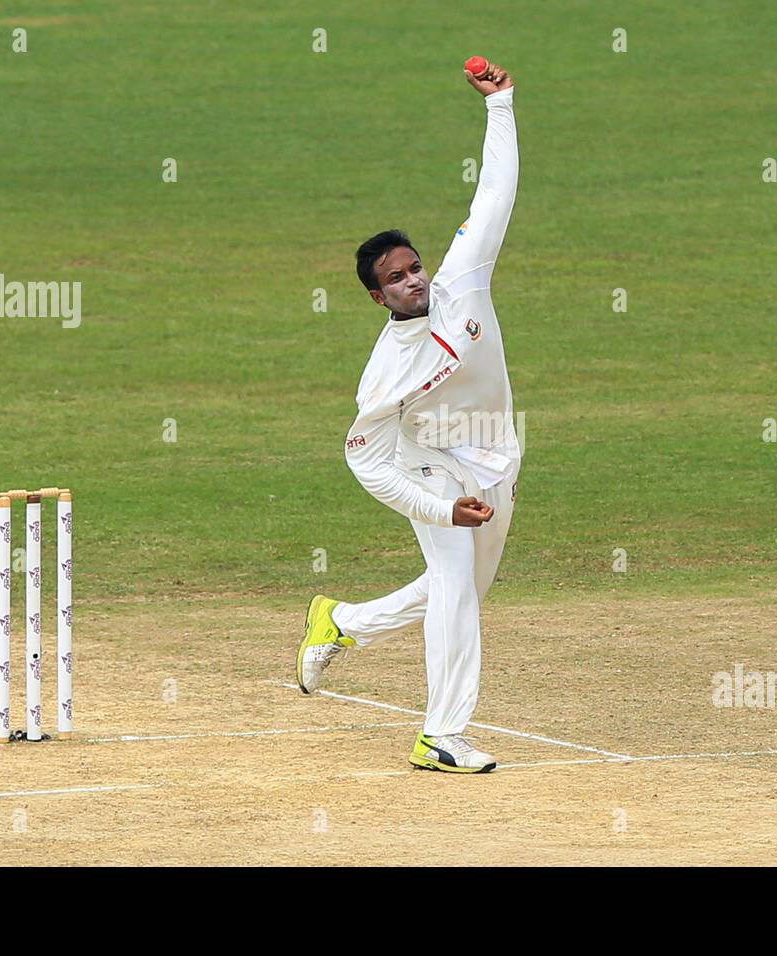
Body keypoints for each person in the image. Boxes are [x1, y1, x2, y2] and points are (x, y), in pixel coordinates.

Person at [296, 62, 520, 773]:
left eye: (414, 267)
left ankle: (342, 621)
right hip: (425, 464)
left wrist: (502, 105)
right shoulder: (385, 374)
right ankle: (442, 736)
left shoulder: (463, 281)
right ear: (377, 298)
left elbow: (493, 196)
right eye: (394, 278)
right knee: (455, 585)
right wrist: (437, 506)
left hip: (496, 453)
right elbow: (364, 459)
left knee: (463, 596)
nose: (413, 279)